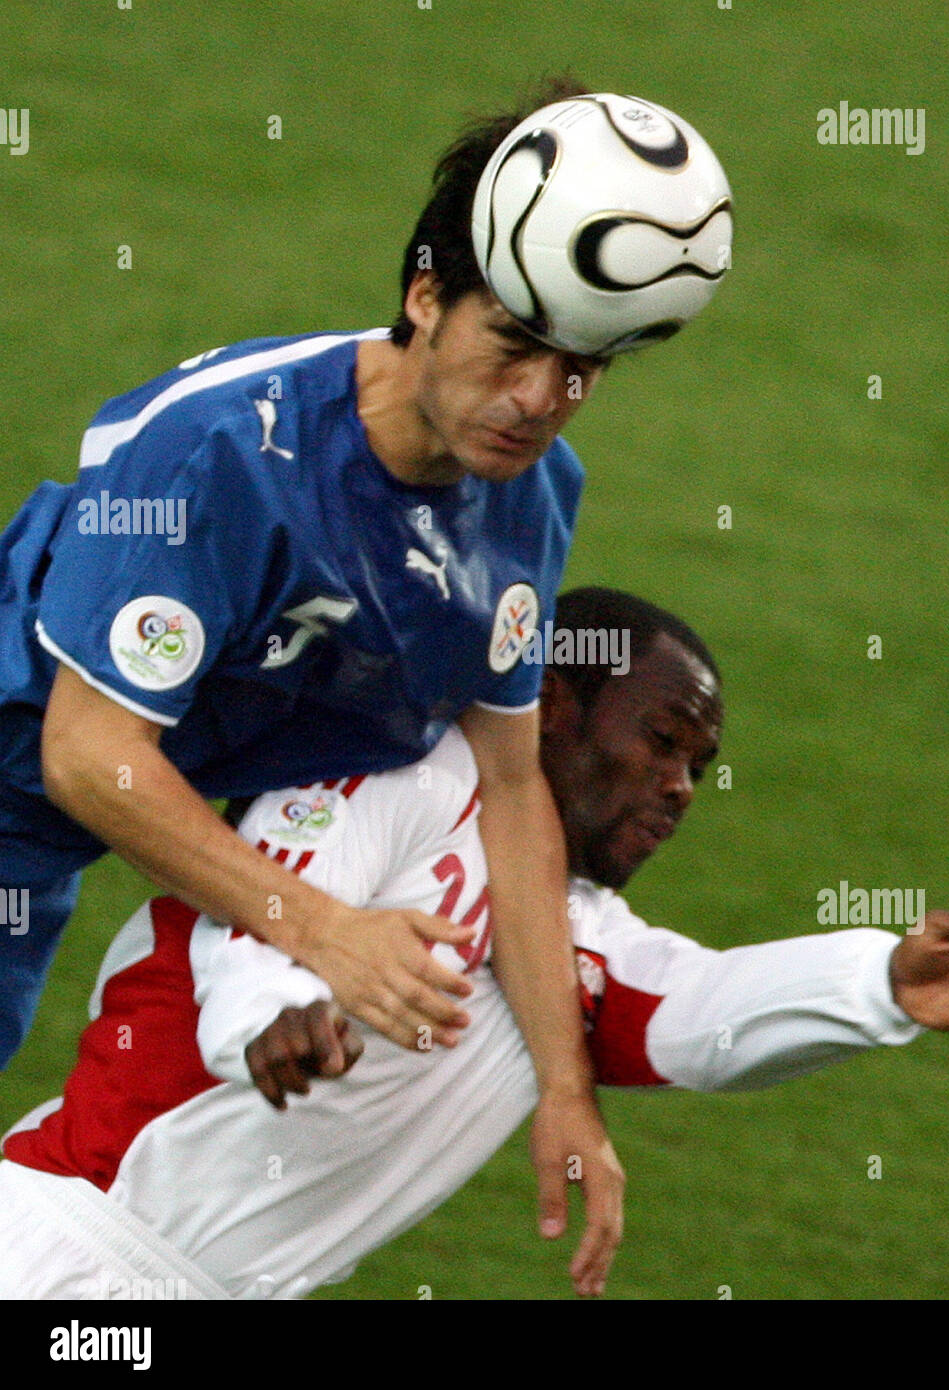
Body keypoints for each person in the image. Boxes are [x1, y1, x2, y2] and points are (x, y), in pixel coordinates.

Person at [0, 588, 949, 1300]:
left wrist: (883, 982)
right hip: (67, 1238)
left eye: (698, 770)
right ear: (557, 706)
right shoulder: (398, 776)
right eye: (661, 741)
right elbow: (269, 912)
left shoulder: (571, 941)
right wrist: (272, 1018)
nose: (677, 787)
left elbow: (703, 1014)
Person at [0, 78, 630, 1290]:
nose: (538, 401)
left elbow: (509, 788)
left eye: (579, 369)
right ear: (424, 296)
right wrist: (320, 929)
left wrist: (564, 1089)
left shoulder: (527, 504)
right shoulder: (222, 449)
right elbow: (89, 751)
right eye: (513, 348)